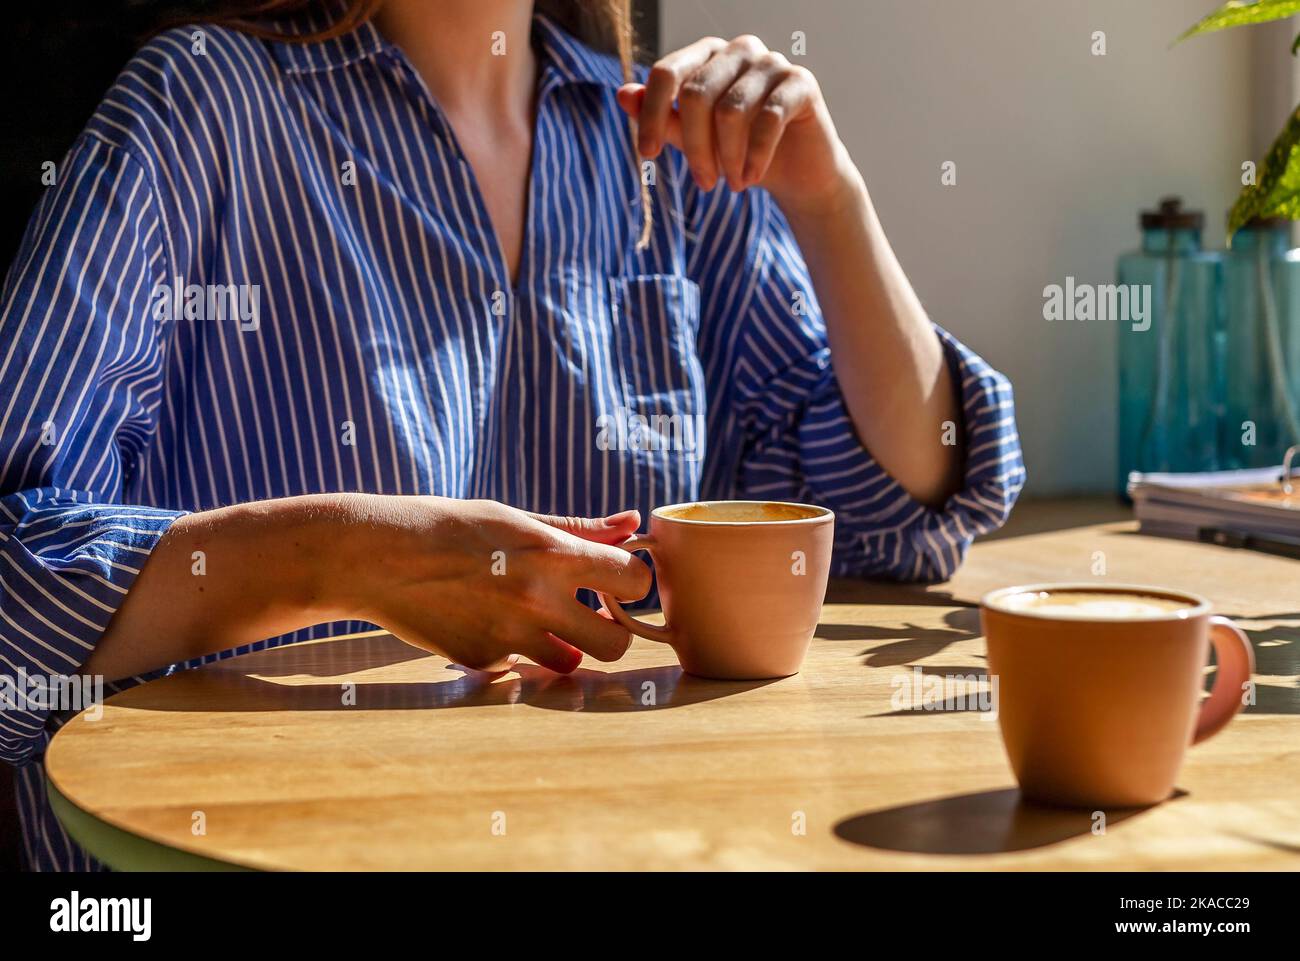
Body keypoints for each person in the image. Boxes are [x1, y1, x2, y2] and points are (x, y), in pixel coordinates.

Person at [0, 0, 1024, 869]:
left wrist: (827, 197)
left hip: (622, 846)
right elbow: (15, 578)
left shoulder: (664, 145)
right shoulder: (207, 105)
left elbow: (904, 520)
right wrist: (337, 557)